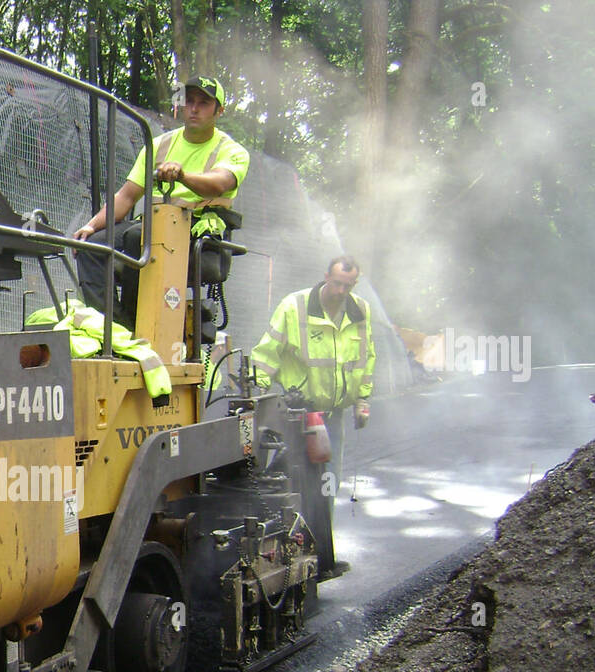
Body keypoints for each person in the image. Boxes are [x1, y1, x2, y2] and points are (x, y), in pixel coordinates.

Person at [72, 76, 250, 331]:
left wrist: (183, 176)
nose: (194, 108)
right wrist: (91, 226)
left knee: (138, 238)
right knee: (92, 247)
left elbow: (220, 182)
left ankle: (140, 329)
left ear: (219, 111)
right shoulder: (159, 145)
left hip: (198, 235)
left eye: (204, 103)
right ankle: (114, 330)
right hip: (153, 225)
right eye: (189, 101)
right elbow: (126, 196)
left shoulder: (231, 151)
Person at [249, 256, 376, 579]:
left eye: (348, 285)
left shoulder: (359, 310)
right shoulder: (295, 307)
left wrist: (362, 399)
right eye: (337, 283)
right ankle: (298, 555)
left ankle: (320, 557)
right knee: (298, 484)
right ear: (325, 277)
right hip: (299, 415)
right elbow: (267, 353)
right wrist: (254, 393)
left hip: (333, 417)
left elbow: (365, 357)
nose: (341, 291)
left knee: (327, 485)